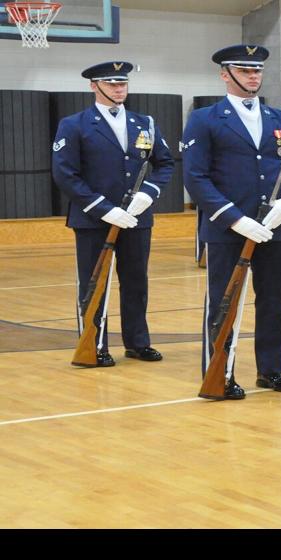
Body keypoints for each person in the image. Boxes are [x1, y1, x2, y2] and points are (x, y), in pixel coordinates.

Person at [182, 43, 281, 398]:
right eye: (246, 70)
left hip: (275, 227)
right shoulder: (205, 118)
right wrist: (234, 219)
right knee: (224, 300)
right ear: (226, 74)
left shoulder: (280, 118)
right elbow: (196, 178)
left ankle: (272, 369)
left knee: (273, 300)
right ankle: (219, 370)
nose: (254, 76)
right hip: (227, 228)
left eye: (257, 71)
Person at [51, 60, 175, 367]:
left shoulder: (144, 122)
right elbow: (65, 174)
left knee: (136, 281)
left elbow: (165, 163)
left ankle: (137, 342)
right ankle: (94, 344)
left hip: (136, 217)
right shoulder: (75, 124)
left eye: (123, 83)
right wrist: (104, 210)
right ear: (94, 86)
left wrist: (148, 194)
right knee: (94, 282)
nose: (119, 89)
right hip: (93, 218)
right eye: (112, 83)